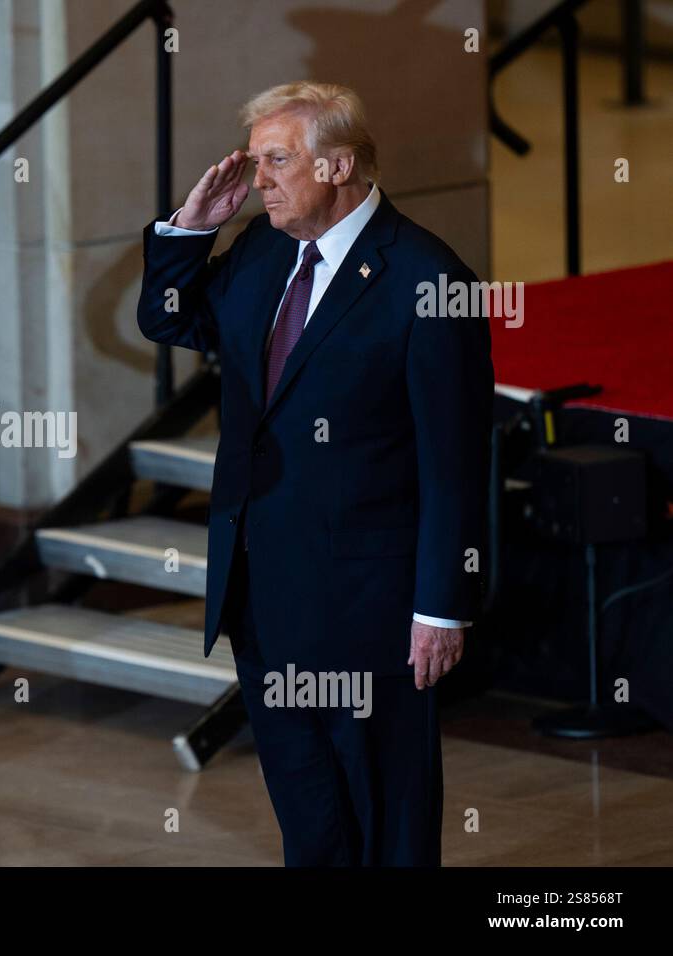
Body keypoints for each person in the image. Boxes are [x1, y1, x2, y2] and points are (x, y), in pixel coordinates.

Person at [137, 81, 493, 866]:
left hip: (370, 602)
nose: (256, 179)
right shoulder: (264, 249)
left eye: (276, 160)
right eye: (255, 159)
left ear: (337, 165)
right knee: (306, 804)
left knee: (382, 803)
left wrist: (442, 606)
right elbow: (170, 318)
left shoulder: (427, 279)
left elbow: (457, 460)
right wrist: (190, 230)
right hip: (263, 592)